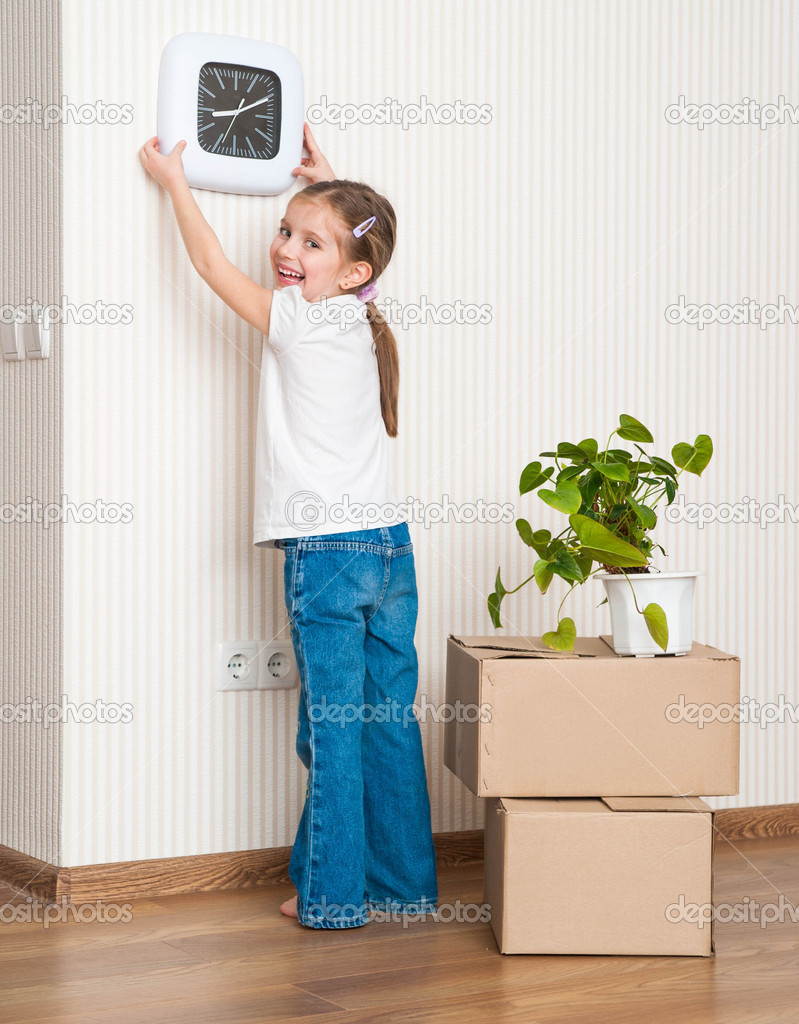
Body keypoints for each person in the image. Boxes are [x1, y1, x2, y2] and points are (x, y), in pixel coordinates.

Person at [138, 124, 438, 929]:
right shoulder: (361, 320)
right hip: (389, 551)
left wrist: (174, 182)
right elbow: (357, 247)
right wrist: (333, 188)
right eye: (285, 233)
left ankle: (332, 897)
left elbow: (207, 267)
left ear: (349, 273)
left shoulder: (302, 320)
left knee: (332, 732)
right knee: (383, 722)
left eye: (309, 243)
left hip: (330, 555)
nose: (285, 249)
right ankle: (401, 889)